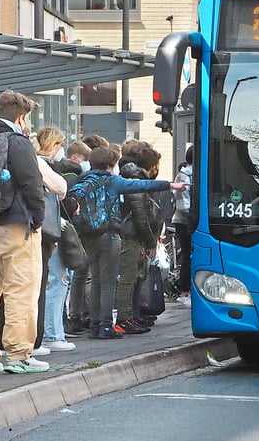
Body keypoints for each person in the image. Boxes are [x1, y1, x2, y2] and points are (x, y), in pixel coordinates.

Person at [73, 145, 188, 339]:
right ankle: (106, 326)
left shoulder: (81, 182)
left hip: (89, 235)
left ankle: (94, 324)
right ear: (110, 165)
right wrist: (169, 185)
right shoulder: (113, 181)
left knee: (95, 280)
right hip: (110, 235)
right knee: (108, 282)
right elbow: (141, 186)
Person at [0, 90, 48, 375]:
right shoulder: (17, 142)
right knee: (19, 292)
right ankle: (18, 354)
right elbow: (32, 184)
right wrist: (37, 218)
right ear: (21, 116)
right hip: (15, 226)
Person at [115, 142, 163, 334]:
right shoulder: (137, 182)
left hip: (136, 234)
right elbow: (140, 215)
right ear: (152, 166)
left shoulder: (138, 180)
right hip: (132, 234)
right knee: (128, 278)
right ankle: (124, 319)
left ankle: (132, 316)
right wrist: (150, 241)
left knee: (135, 277)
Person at [31, 126, 70, 357]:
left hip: (32, 229)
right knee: (50, 281)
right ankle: (43, 337)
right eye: (59, 144)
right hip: (43, 231)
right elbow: (60, 188)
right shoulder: (41, 163)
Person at [67, 135, 110, 335]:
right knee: (89, 275)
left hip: (81, 229)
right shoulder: (85, 178)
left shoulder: (79, 178)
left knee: (82, 274)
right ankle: (85, 316)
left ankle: (81, 315)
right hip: (89, 231)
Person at [172, 145, 194, 307]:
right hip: (185, 222)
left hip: (189, 220)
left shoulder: (191, 175)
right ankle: (184, 291)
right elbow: (183, 206)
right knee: (188, 256)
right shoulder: (185, 176)